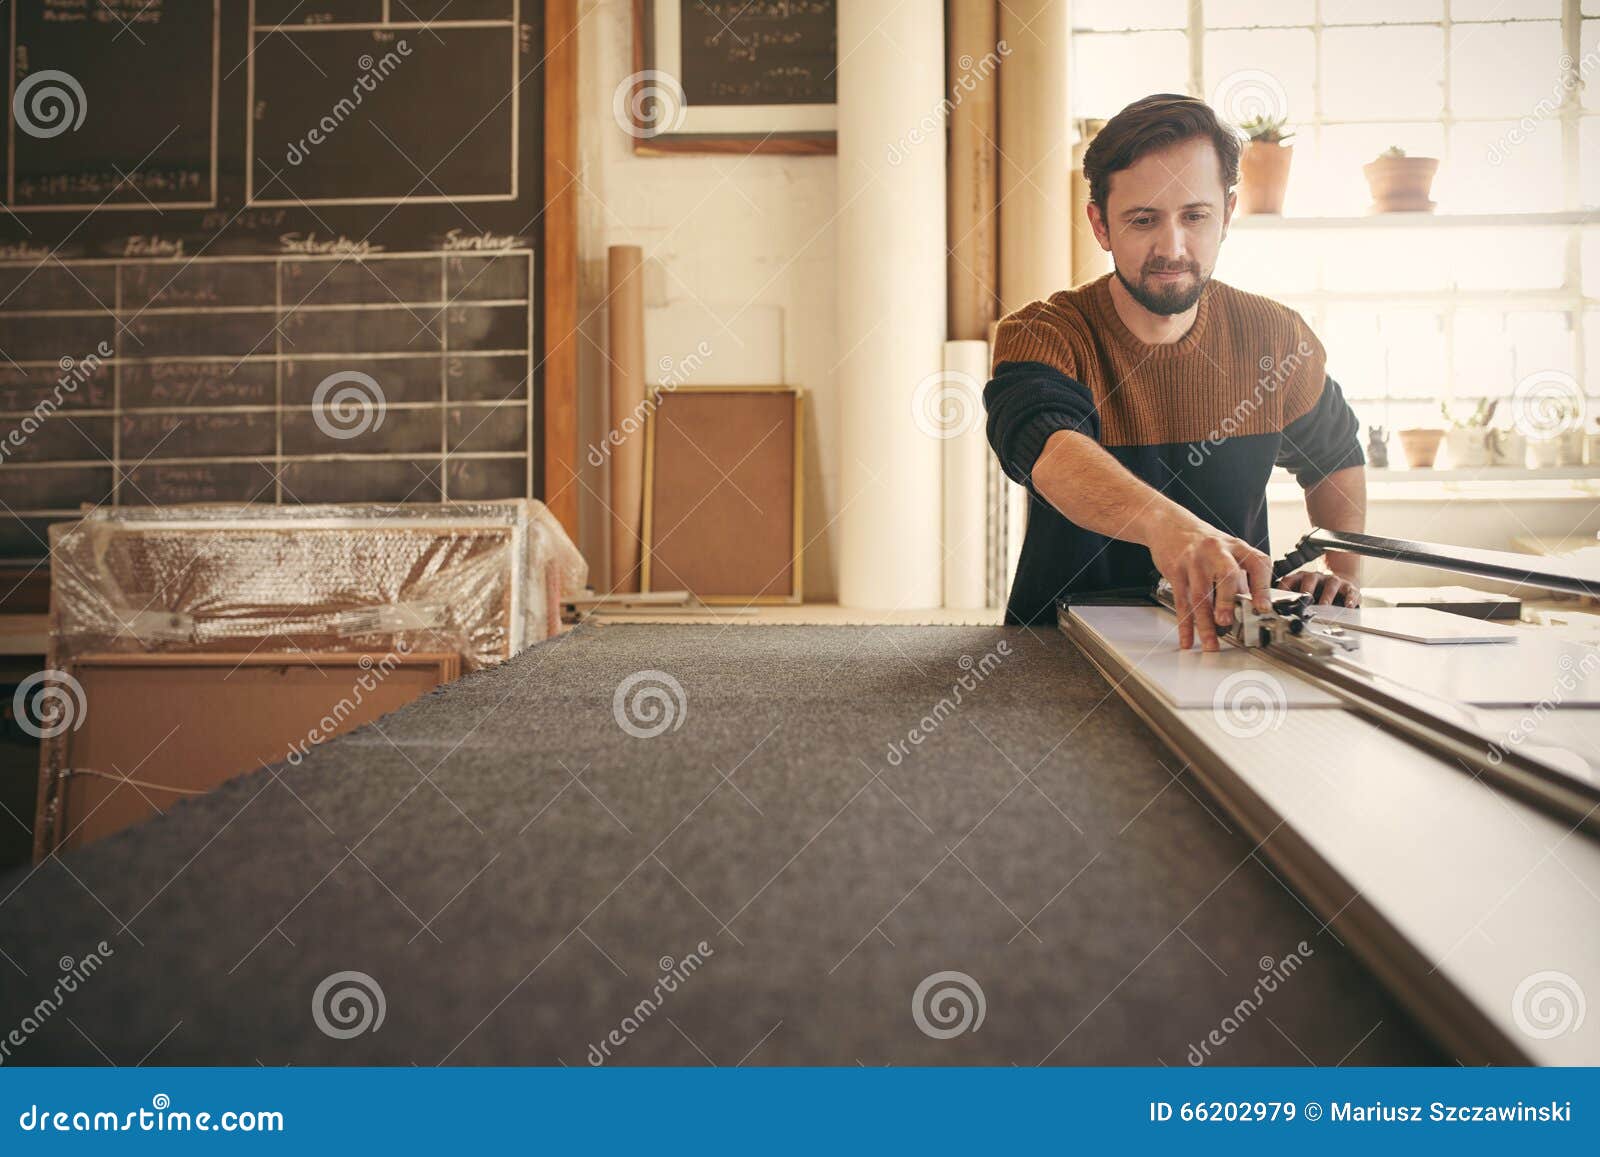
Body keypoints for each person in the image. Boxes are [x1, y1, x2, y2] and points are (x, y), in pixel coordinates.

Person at [984, 93, 1366, 652]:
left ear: (1228, 215)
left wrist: (1343, 575)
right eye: (1143, 220)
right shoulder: (1044, 334)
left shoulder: (1275, 338)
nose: (1173, 247)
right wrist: (1171, 528)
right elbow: (1050, 449)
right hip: (1057, 649)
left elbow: (1335, 457)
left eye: (1195, 216)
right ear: (1100, 224)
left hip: (1228, 644)